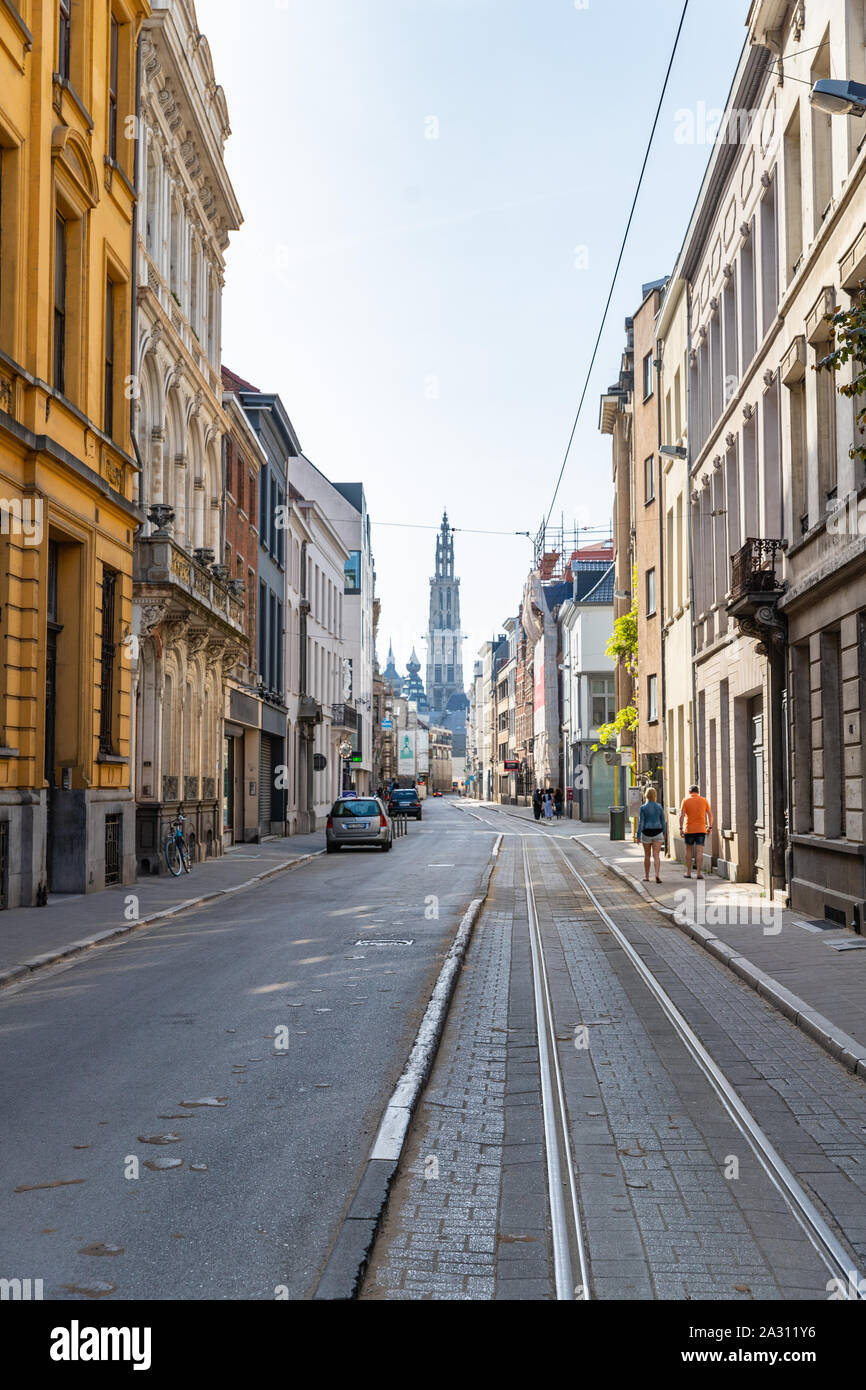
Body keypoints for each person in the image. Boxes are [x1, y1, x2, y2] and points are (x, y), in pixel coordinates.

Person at [679, 783, 713, 879]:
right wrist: (709, 827)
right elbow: (710, 815)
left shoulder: (685, 800)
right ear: (698, 792)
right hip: (701, 829)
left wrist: (681, 828)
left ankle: (688, 872)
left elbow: (682, 815)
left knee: (689, 851)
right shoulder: (704, 800)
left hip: (689, 829)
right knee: (699, 851)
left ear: (689, 792)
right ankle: (698, 873)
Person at [637, 787, 666, 883]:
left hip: (646, 833)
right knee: (656, 855)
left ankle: (647, 876)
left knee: (647, 855)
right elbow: (663, 821)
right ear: (655, 795)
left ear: (646, 795)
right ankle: (657, 875)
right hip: (658, 832)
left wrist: (638, 836)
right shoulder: (659, 807)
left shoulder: (643, 808)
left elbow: (641, 823)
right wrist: (664, 833)